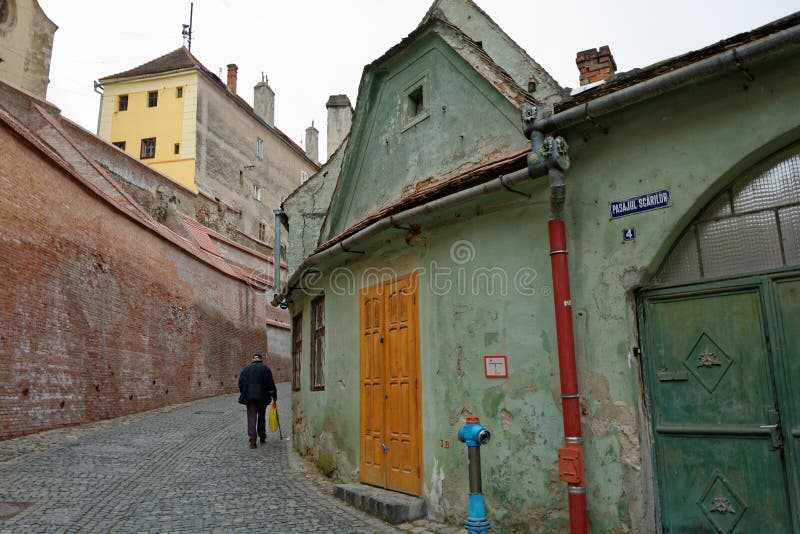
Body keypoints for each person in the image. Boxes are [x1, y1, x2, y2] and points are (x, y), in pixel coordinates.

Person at [237, 353, 277, 449]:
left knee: (251, 418)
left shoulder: (246, 369)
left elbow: (240, 383)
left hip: (250, 398)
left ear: (253, 360)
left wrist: (244, 393)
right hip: (262, 398)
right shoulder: (265, 369)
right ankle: (262, 436)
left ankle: (252, 440)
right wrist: (274, 397)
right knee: (261, 417)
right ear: (261, 360)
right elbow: (271, 384)